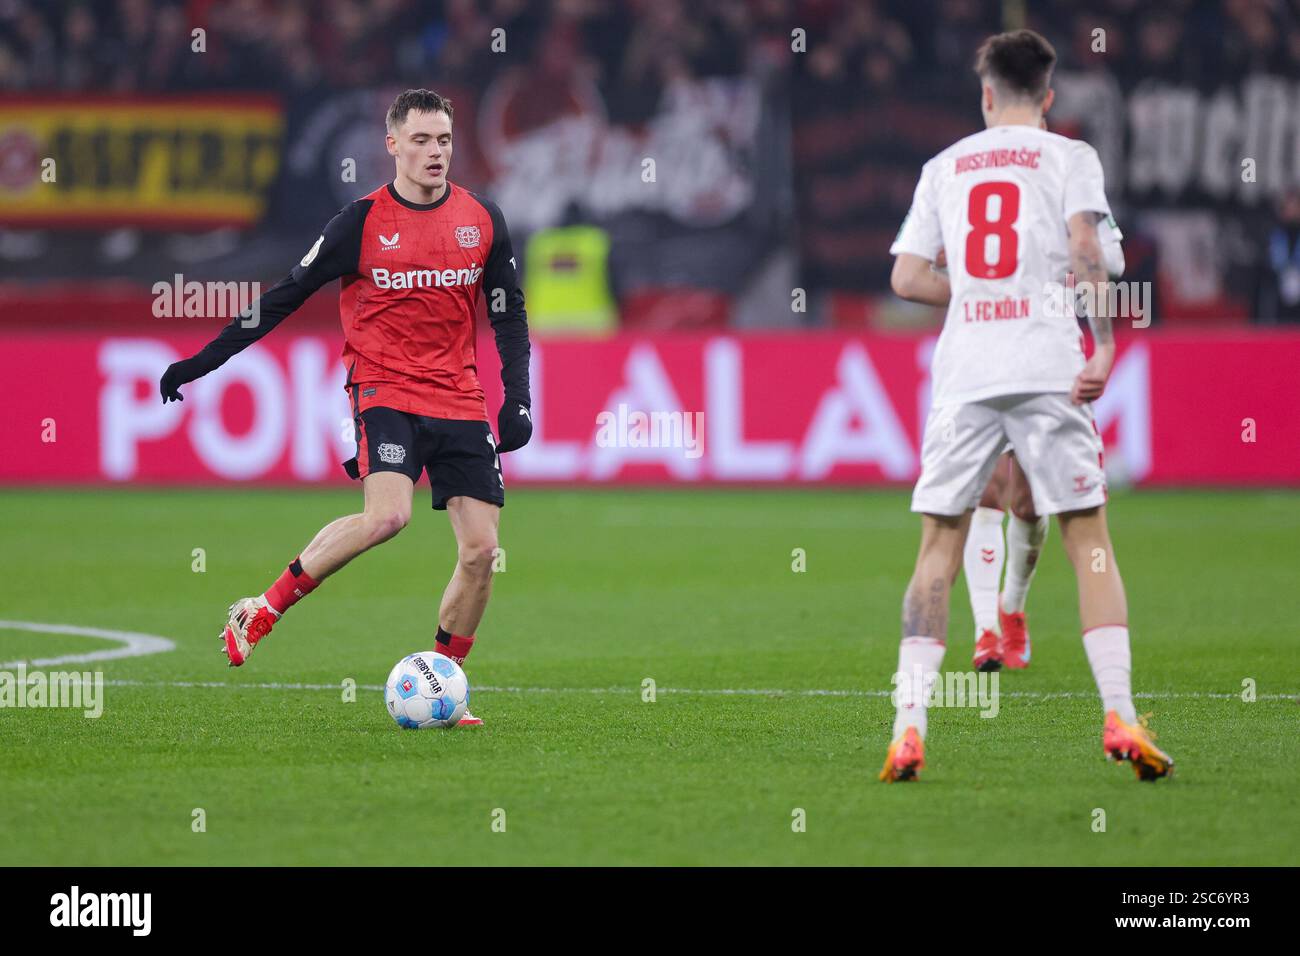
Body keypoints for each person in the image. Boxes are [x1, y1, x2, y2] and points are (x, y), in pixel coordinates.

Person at [159, 90, 533, 727]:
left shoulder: (483, 220)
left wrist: (518, 398)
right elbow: (282, 297)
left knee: (480, 553)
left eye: (443, 140)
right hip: (383, 389)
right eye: (421, 140)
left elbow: (509, 315)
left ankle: (444, 682)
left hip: (459, 397)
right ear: (392, 145)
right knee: (388, 517)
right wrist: (203, 360)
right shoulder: (359, 224)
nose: (435, 152)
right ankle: (264, 607)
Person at [879, 31, 1172, 782]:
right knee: (1088, 538)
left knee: (936, 547)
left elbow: (908, 278)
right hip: (1046, 363)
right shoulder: (1069, 156)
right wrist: (1102, 343)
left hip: (967, 371)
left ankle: (908, 729)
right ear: (1047, 98)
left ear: (985, 96)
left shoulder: (943, 166)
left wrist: (976, 291)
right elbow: (1084, 245)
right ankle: (1119, 713)